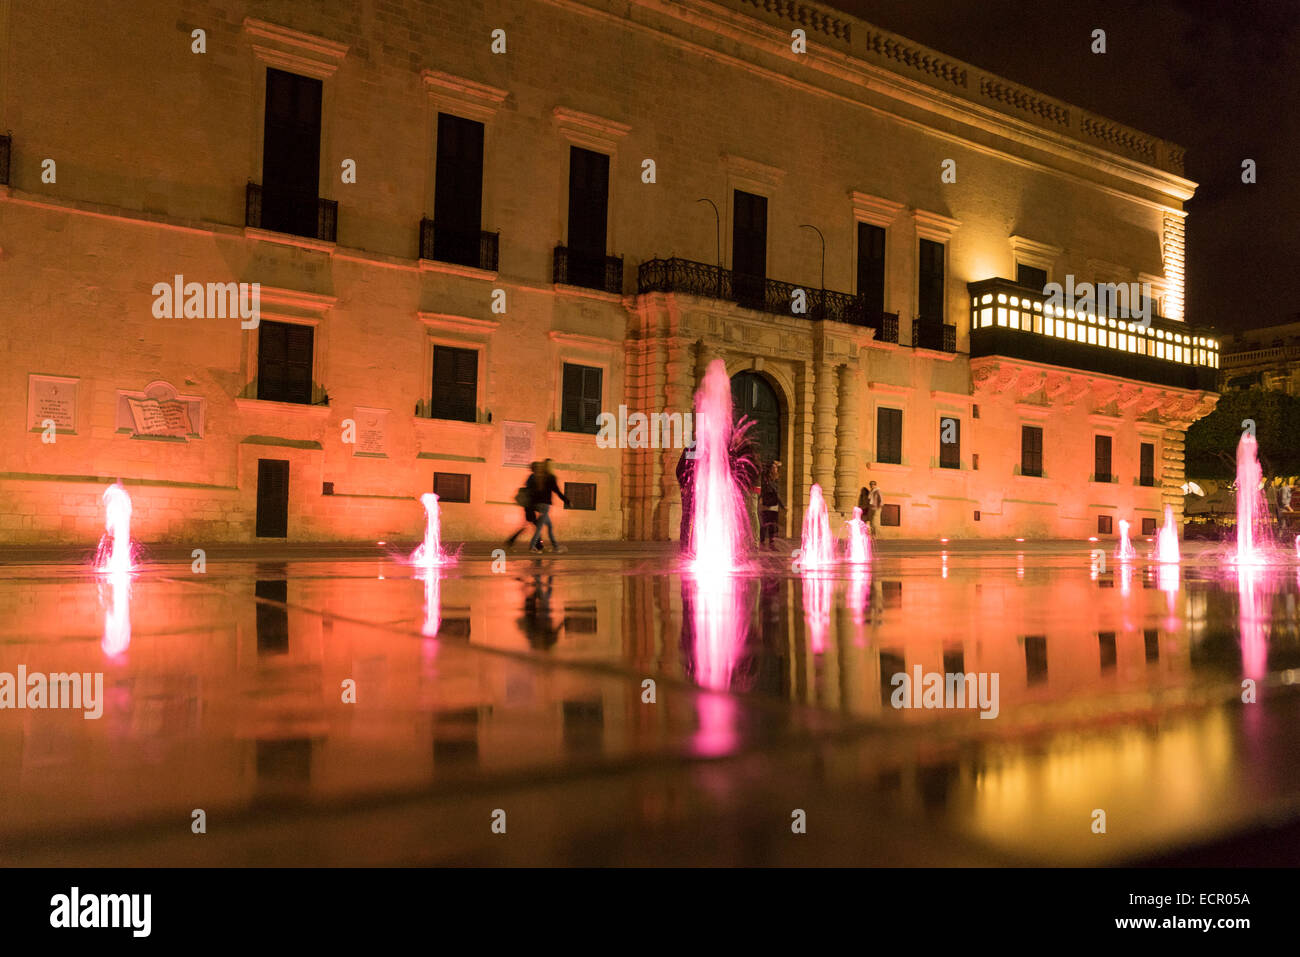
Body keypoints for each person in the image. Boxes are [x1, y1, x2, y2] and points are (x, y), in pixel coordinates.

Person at [527, 459, 570, 553]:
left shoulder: (540, 476)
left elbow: (535, 491)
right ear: (550, 466)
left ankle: (556, 546)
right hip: (545, 506)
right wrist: (566, 501)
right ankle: (532, 546)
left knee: (549, 526)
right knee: (539, 528)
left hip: (539, 505)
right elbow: (557, 491)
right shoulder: (550, 477)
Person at [505, 463, 539, 549]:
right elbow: (533, 493)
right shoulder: (533, 478)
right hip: (529, 506)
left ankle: (511, 540)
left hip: (528, 506)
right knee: (536, 526)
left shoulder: (531, 478)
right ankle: (539, 545)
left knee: (529, 526)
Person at [759, 459, 784, 547]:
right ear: (770, 469)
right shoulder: (766, 479)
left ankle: (771, 544)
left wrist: (781, 505)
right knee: (764, 525)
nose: (776, 469)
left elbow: (776, 494)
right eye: (775, 468)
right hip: (766, 505)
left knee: (772, 526)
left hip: (773, 505)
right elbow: (773, 492)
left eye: (776, 468)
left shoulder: (774, 480)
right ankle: (762, 543)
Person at [677, 444, 696, 553]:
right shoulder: (691, 450)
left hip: (698, 489)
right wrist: (684, 486)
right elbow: (680, 469)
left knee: (695, 518)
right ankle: (685, 546)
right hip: (689, 489)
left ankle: (692, 546)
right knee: (687, 517)